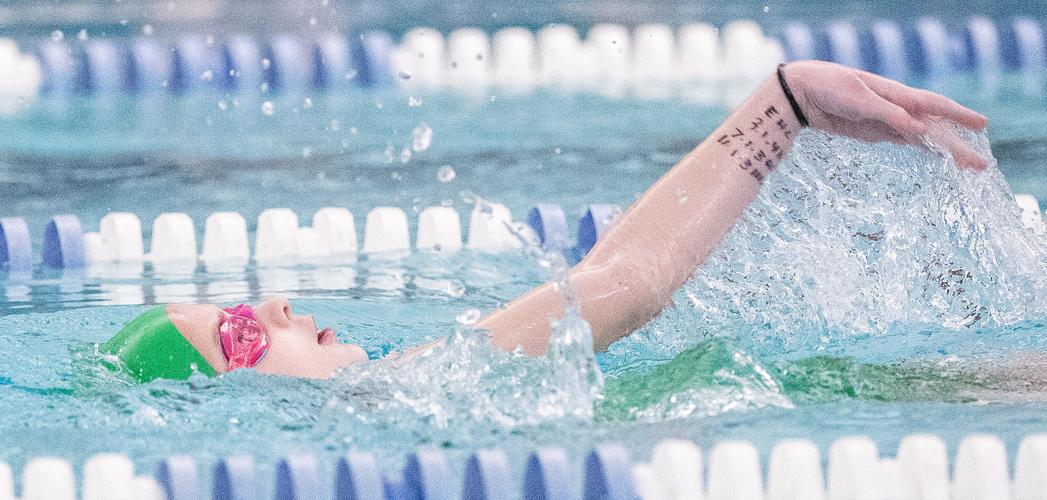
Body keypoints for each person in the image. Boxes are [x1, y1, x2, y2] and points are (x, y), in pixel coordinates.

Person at [102, 60, 989, 383]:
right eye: (241, 336)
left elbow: (606, 282)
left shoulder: (405, 394)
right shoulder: (393, 393)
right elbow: (622, 287)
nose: (278, 305)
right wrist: (781, 105)